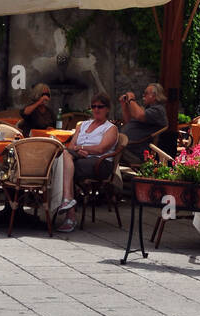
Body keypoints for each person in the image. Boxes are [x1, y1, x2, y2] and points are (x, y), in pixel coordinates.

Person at [57, 93, 119, 233]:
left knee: (63, 166)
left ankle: (69, 211)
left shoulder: (110, 128)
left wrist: (82, 148)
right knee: (64, 159)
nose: (96, 109)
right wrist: (78, 151)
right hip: (80, 159)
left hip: (100, 164)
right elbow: (71, 146)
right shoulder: (83, 125)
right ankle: (68, 205)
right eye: (93, 106)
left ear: (107, 109)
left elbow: (101, 149)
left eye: (100, 107)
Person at [118, 83, 168, 165]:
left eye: (146, 93)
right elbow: (128, 121)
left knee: (106, 148)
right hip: (127, 147)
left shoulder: (158, 111)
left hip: (134, 152)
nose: (143, 95)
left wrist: (131, 99)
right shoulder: (148, 110)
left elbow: (139, 115)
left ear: (155, 96)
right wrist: (124, 105)